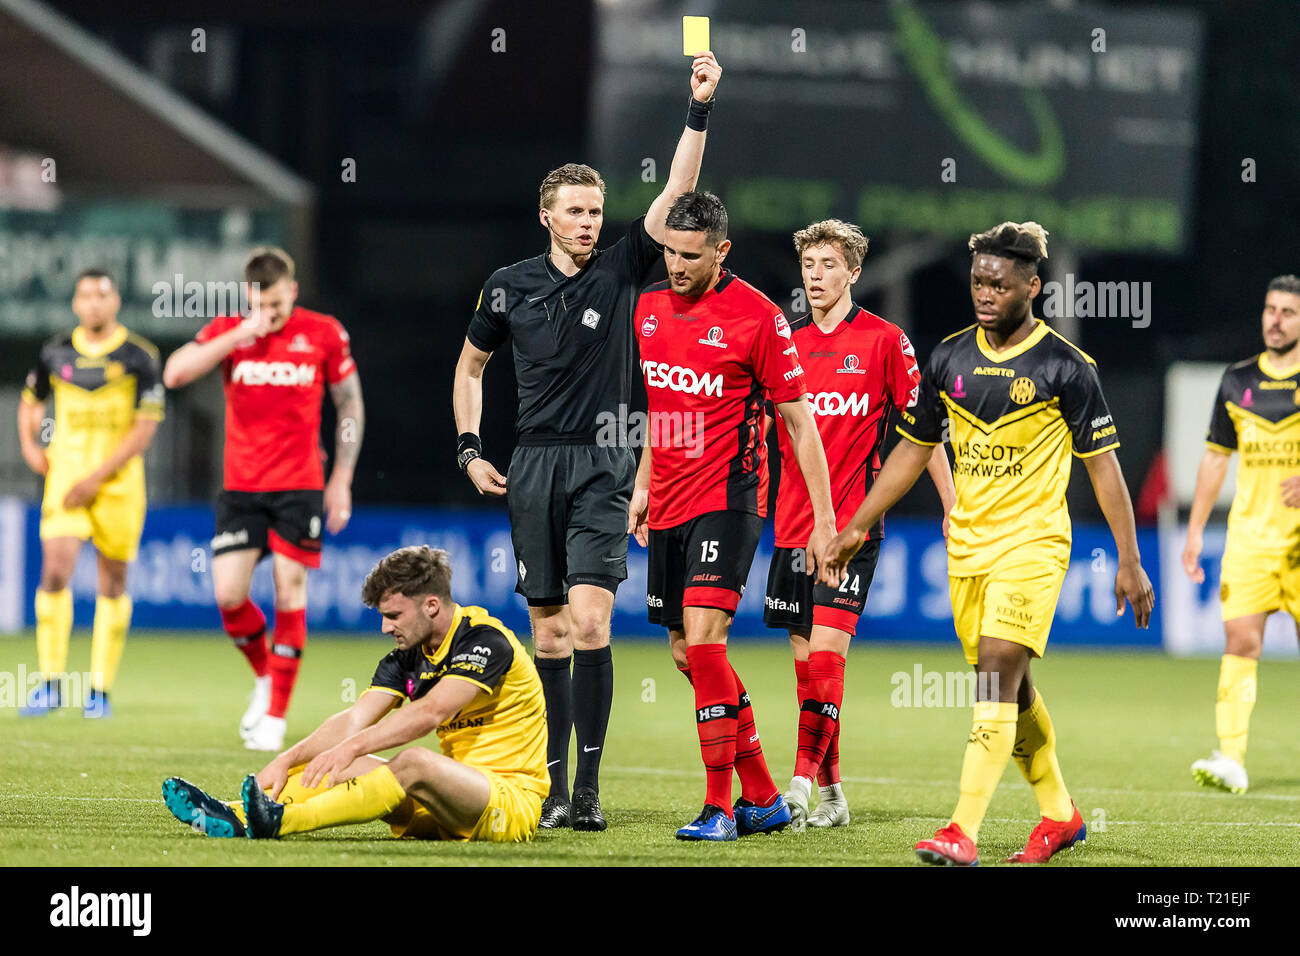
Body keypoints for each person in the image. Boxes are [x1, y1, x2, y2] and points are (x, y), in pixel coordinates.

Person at [820, 221, 1155, 865]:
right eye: (977, 281)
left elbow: (1103, 466)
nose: (984, 293)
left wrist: (1130, 559)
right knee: (1012, 687)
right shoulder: (947, 358)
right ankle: (1060, 815)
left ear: (1033, 286)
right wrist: (857, 523)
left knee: (998, 669)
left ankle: (961, 829)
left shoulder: (1066, 365)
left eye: (998, 284)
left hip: (1033, 545)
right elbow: (913, 451)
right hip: (967, 549)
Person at [452, 53, 723, 830]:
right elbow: (469, 368)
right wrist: (470, 449)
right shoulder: (507, 286)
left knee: (592, 621)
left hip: (607, 456)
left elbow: (676, 193)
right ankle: (552, 785)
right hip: (532, 461)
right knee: (546, 630)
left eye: (596, 211)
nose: (588, 222)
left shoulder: (618, 271)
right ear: (547, 216)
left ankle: (590, 794)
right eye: (574, 211)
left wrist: (697, 109)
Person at [628, 191, 837, 841]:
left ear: (722, 251)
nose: (676, 266)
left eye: (691, 255)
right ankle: (766, 796)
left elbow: (800, 426)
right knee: (688, 654)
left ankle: (719, 807)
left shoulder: (760, 318)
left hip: (729, 498)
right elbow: (660, 408)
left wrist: (827, 522)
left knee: (707, 639)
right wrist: (640, 485)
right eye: (668, 251)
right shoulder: (649, 309)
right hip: (666, 499)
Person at [765, 220, 955, 829]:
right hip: (791, 531)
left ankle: (796, 785)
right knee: (807, 676)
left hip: (850, 531)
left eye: (827, 264)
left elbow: (925, 435)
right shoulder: (784, 346)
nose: (814, 275)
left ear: (852, 272)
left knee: (826, 660)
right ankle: (832, 796)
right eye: (808, 264)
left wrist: (953, 507)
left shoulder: (884, 342)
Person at [160, 545, 549, 843]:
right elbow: (353, 720)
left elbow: (430, 712)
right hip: (445, 806)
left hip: (506, 804)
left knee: (412, 761)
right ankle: (233, 815)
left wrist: (353, 747)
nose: (384, 627)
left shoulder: (485, 641)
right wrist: (289, 757)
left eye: (393, 615)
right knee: (321, 764)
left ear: (431, 605)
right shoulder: (407, 656)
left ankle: (281, 823)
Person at [162, 247, 364, 751]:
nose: (269, 313)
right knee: (229, 596)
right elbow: (174, 374)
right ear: (248, 296)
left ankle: (275, 716)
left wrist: (340, 478)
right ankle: (267, 677)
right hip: (241, 487)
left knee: (289, 588)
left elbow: (349, 404)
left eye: (276, 303)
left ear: (291, 291)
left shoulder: (324, 333)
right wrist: (239, 334)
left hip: (300, 484)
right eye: (260, 303)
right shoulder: (233, 330)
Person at [17, 268, 164, 718]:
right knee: (55, 572)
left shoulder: (140, 356)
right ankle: (50, 682)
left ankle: (99, 690)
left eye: (102, 295)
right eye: (86, 295)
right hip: (65, 478)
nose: (94, 303)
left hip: (117, 484)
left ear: (115, 301)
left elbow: (145, 428)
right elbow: (31, 402)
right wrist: (30, 446)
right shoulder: (55, 351)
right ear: (77, 304)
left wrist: (97, 477)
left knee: (112, 582)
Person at [1184, 274, 1300, 794]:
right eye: (1271, 309)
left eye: (1288, 312)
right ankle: (1232, 758)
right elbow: (1214, 460)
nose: (1276, 319)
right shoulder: (1236, 380)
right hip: (1251, 541)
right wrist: (1193, 534)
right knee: (1241, 642)